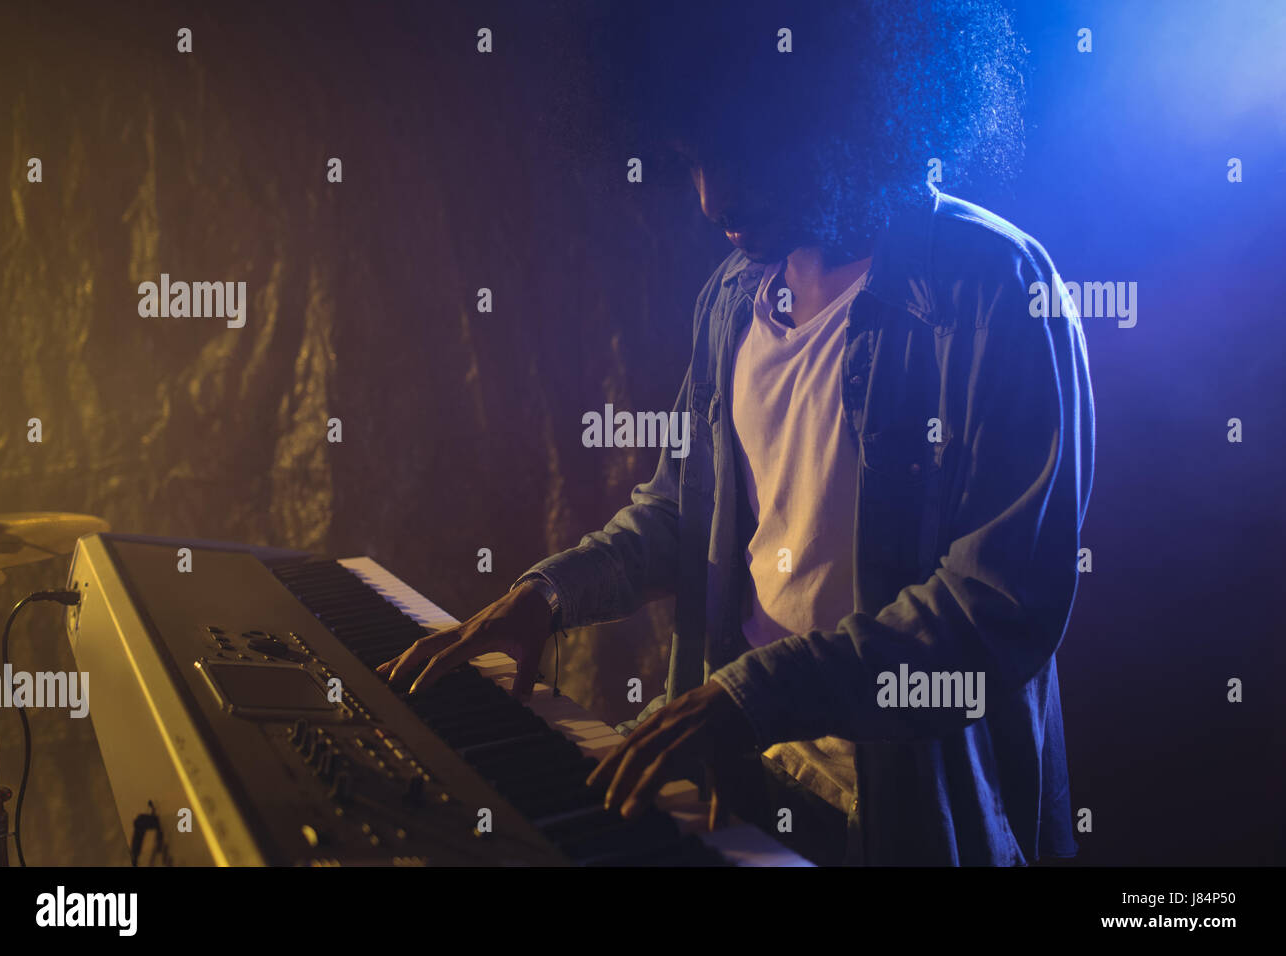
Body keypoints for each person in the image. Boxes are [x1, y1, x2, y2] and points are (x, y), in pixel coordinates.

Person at [380, 0, 1095, 865]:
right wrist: (547, 596)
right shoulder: (730, 300)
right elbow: (683, 511)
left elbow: (996, 611)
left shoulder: (998, 290)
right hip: (746, 784)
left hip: (915, 819)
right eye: (691, 159)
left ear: (837, 108)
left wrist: (753, 694)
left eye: (742, 152)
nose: (714, 196)